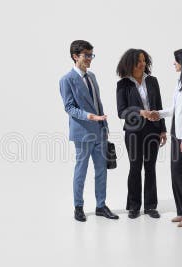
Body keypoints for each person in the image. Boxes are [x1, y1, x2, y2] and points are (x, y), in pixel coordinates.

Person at [59, 40, 119, 222]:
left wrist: (104, 126)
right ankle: (78, 207)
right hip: (82, 132)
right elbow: (69, 107)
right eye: (87, 55)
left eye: (91, 55)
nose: (90, 59)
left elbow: (98, 103)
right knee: (81, 171)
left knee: (101, 170)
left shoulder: (92, 77)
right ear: (75, 56)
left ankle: (101, 205)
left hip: (99, 131)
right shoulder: (66, 80)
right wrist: (89, 116)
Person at [145, 48, 182, 227]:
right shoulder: (181, 81)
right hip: (175, 132)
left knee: (181, 174)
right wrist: (158, 113)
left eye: (176, 60)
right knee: (175, 174)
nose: (174, 63)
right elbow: (175, 109)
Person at [116, 49, 168, 219]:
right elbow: (121, 112)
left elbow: (159, 106)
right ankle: (133, 206)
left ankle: (151, 206)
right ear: (130, 63)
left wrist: (162, 129)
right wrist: (140, 112)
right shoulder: (123, 84)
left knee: (150, 167)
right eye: (139, 61)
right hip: (133, 132)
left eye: (144, 60)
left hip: (153, 130)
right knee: (135, 167)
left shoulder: (152, 81)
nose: (143, 63)